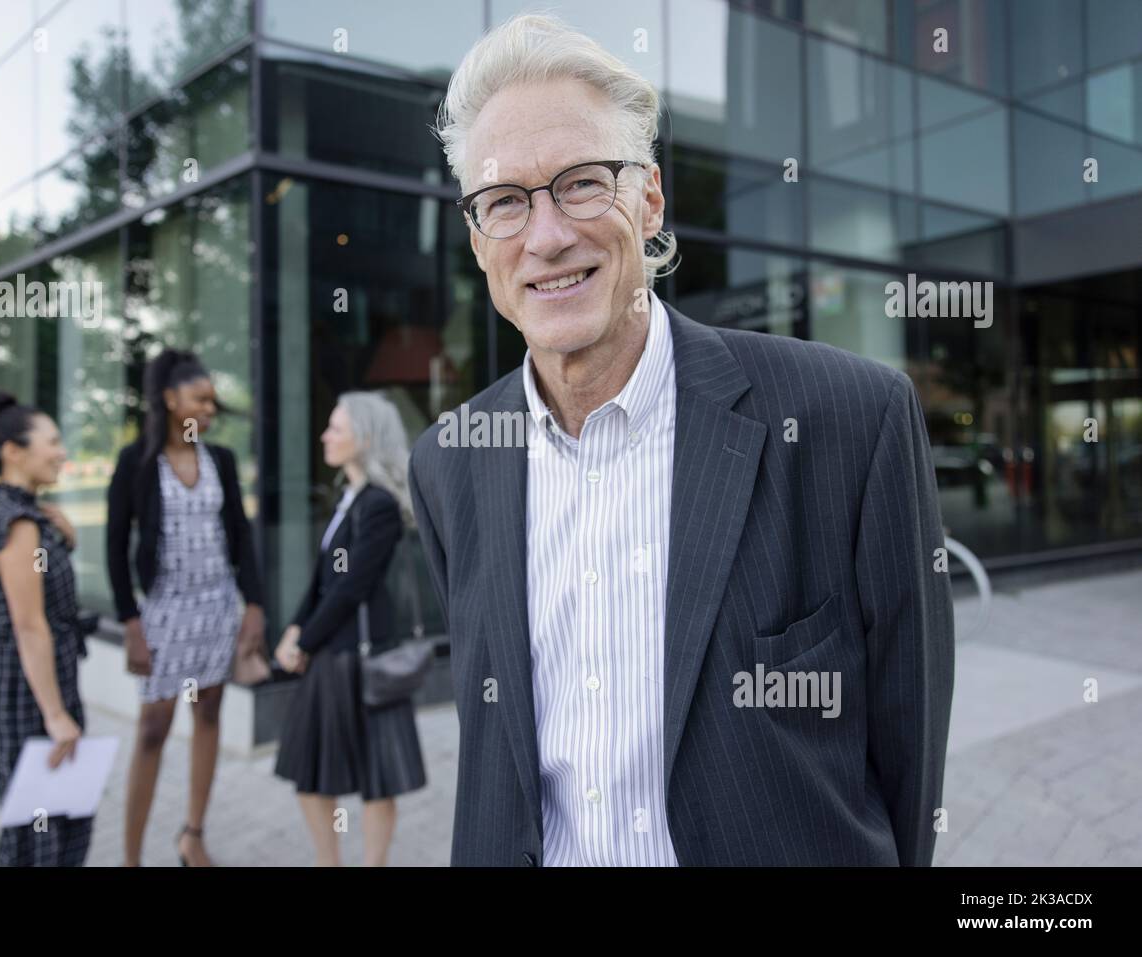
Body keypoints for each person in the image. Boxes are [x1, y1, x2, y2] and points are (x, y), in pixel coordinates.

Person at [408, 14, 955, 866]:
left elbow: (909, 749)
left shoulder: (852, 419)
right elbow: (494, 757)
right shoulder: (448, 463)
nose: (546, 235)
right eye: (505, 201)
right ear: (480, 239)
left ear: (649, 198)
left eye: (583, 182)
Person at [106, 349, 266, 866]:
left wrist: (255, 605)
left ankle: (192, 835)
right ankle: (130, 856)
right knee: (152, 728)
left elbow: (240, 536)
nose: (210, 409)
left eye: (214, 401)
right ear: (172, 401)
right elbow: (113, 546)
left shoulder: (218, 459)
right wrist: (130, 622)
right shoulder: (136, 462)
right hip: (164, 613)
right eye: (201, 398)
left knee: (210, 712)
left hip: (218, 605)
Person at [273, 392, 427, 866]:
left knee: (377, 781)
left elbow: (351, 588)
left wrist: (306, 640)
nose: (325, 435)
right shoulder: (350, 499)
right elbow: (324, 579)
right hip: (333, 655)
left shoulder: (377, 504)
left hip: (358, 660)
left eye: (335, 428)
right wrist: (294, 629)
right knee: (313, 777)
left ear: (363, 438)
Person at [0, 389, 91, 866]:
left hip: (31, 680)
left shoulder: (28, 517)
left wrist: (65, 542)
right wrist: (56, 715)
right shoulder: (18, 524)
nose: (62, 453)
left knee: (52, 817)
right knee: (36, 829)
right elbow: (29, 625)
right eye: (52, 442)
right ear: (12, 452)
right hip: (25, 687)